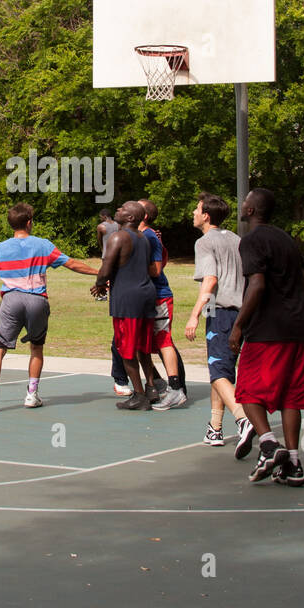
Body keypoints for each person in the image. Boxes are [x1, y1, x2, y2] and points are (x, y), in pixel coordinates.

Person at [0, 203, 99, 412]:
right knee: (36, 347)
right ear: (29, 223)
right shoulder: (43, 245)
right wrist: (99, 273)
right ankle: (32, 395)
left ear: (11, 224)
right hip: (37, 302)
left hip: (12, 301)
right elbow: (73, 264)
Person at [229, 188, 304, 487]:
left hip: (268, 333)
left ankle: (268, 444)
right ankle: (294, 464)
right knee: (291, 397)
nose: (242, 204)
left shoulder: (253, 240)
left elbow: (257, 285)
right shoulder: (287, 240)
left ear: (252, 210)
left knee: (247, 391)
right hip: (299, 331)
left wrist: (239, 325)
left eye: (245, 201)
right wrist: (292, 310)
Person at [184, 192, 250, 448]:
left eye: (196, 209)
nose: (193, 212)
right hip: (241, 312)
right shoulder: (236, 239)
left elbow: (210, 281)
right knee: (221, 369)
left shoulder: (204, 243)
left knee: (218, 373)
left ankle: (243, 419)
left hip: (219, 311)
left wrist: (194, 315)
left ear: (206, 216)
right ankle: (215, 428)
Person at [93, 201, 159, 410]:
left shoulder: (119, 237)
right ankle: (152, 388)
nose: (118, 210)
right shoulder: (144, 239)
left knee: (126, 349)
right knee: (143, 348)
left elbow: (107, 267)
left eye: (122, 209)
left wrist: (100, 284)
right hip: (146, 295)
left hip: (128, 298)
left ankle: (139, 395)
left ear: (131, 218)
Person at [136, 199, 187, 409]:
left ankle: (175, 389)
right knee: (140, 344)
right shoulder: (141, 235)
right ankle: (158, 383)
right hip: (145, 297)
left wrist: (131, 270)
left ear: (144, 215)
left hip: (159, 296)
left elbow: (157, 269)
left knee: (164, 341)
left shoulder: (149, 236)